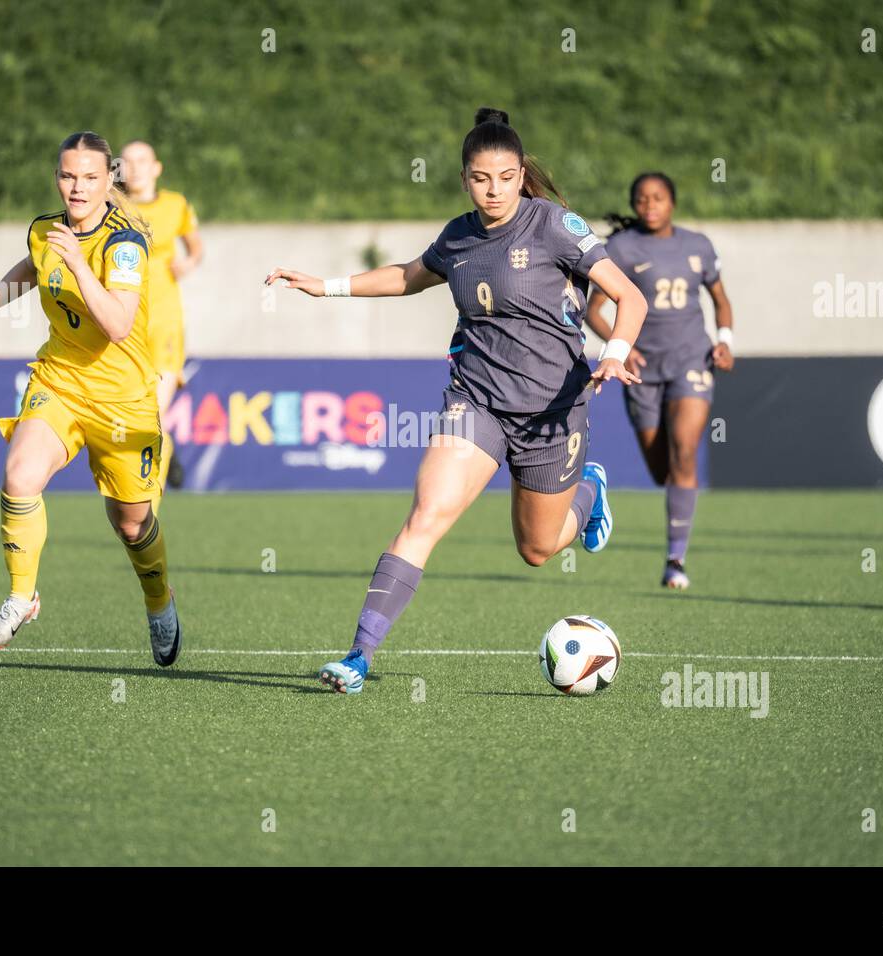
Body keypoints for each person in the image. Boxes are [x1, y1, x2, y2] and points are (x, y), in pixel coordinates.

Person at [266, 107, 647, 694]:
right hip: (477, 402)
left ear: (522, 175)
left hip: (553, 413)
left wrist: (616, 352)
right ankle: (359, 656)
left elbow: (629, 297)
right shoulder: (458, 235)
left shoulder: (555, 226)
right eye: (479, 178)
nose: (492, 190)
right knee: (425, 518)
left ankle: (589, 491)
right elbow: (408, 276)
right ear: (465, 178)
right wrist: (325, 286)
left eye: (504, 177)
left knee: (538, 548)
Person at [0, 130, 182, 664]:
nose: (76, 188)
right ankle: (21, 596)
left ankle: (159, 602)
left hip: (123, 400)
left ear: (110, 182)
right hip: (59, 381)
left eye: (89, 177)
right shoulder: (45, 230)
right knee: (19, 476)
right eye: (67, 175)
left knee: (131, 522)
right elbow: (34, 267)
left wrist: (80, 263)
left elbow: (119, 325)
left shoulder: (125, 243)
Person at [585, 172, 734, 589]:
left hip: (691, 360)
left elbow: (720, 300)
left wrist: (724, 342)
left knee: (685, 452)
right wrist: (621, 345)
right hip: (641, 371)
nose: (650, 205)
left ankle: (676, 559)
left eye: (659, 197)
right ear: (633, 205)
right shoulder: (621, 248)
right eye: (642, 199)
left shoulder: (698, 245)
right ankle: (669, 522)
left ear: (672, 201)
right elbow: (594, 309)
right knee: (661, 469)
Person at [118, 141, 204, 490]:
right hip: (121, 320)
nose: (135, 168)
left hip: (164, 321)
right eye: (128, 162)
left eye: (142, 161)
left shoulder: (175, 205)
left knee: (152, 411)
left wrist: (189, 262)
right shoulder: (110, 205)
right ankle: (165, 444)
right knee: (131, 413)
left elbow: (196, 247)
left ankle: (149, 506)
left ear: (157, 167)